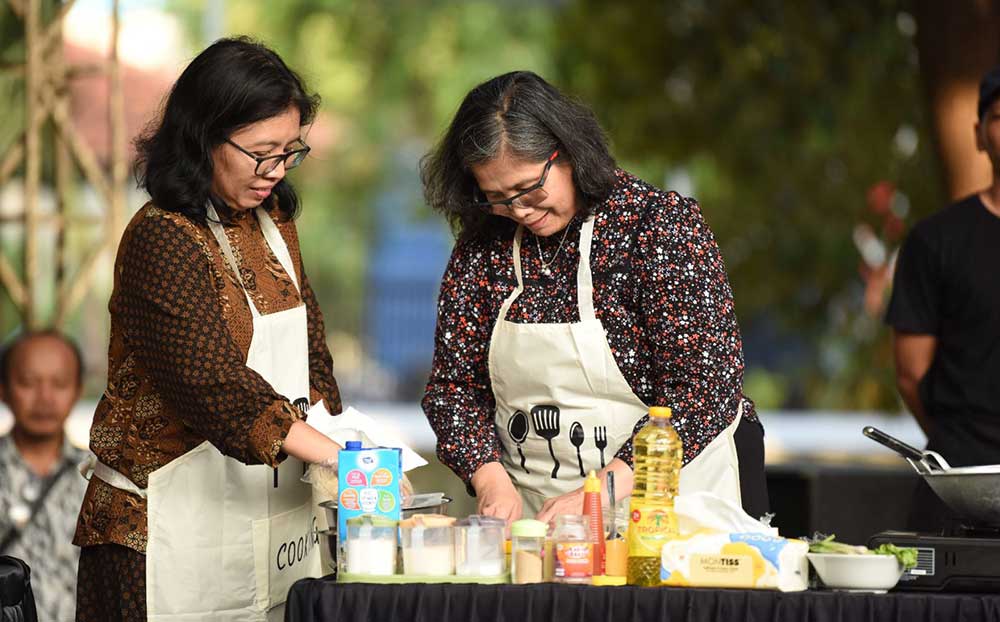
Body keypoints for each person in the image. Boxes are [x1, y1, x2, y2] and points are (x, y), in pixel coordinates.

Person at [73, 37, 344, 622]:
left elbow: (310, 351)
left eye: (290, 152)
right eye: (261, 153)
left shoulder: (273, 221)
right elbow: (211, 384)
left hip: (260, 517)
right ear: (203, 137)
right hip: (157, 530)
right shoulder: (162, 238)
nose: (275, 171)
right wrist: (332, 455)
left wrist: (346, 444)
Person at [420, 71, 768, 524]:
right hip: (536, 520)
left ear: (566, 152)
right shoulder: (482, 251)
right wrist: (490, 481)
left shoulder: (655, 227)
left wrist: (601, 490)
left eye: (529, 189)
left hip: (676, 510)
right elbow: (454, 390)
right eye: (497, 198)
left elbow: (704, 388)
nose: (521, 211)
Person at [887, 65, 1000, 531]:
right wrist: (957, 452)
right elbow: (911, 373)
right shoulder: (935, 241)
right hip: (958, 483)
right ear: (979, 134)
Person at [0, 330, 88, 621]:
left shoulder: (99, 479)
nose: (45, 398)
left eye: (59, 383)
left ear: (77, 389)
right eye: (28, 382)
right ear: (3, 388)